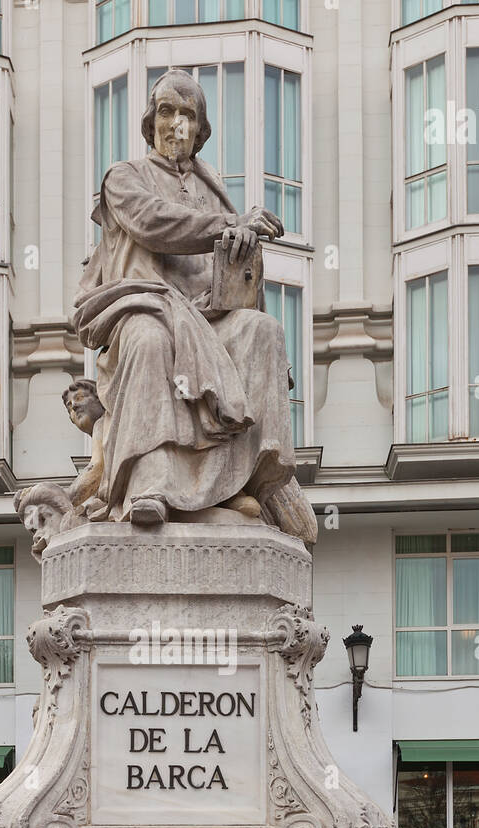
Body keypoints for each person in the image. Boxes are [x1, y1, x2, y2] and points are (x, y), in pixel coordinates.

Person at [72, 68, 316, 540]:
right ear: (151, 121)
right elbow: (152, 223)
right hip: (143, 305)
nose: (177, 124)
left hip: (204, 316)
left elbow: (230, 280)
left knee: (263, 331)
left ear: (200, 131)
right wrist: (228, 224)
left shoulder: (212, 190)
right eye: (167, 111)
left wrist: (240, 261)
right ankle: (149, 484)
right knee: (148, 339)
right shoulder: (124, 177)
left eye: (188, 114)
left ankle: (241, 484)